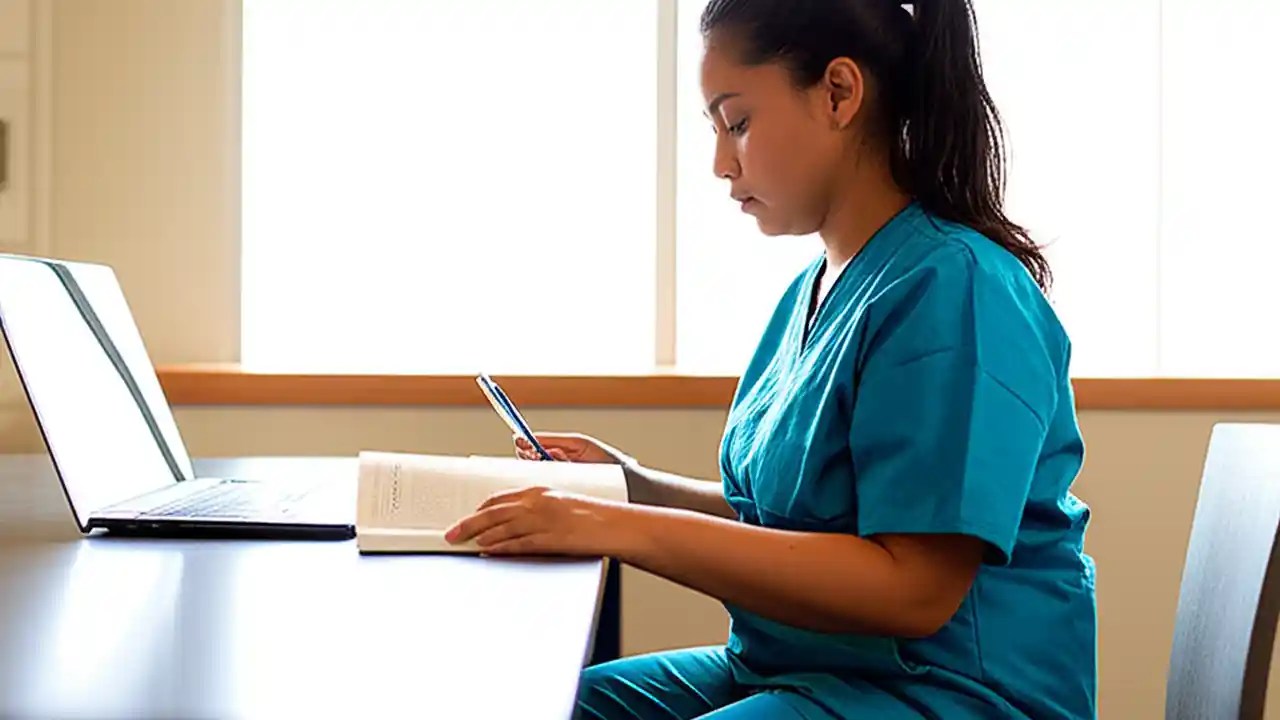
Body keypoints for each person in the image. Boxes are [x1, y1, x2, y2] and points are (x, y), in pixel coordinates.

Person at [444, 0, 1096, 717]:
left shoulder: (955, 290)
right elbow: (795, 522)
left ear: (839, 93)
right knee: (544, 702)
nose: (722, 164)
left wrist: (615, 527)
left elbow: (913, 589)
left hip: (947, 695)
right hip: (807, 672)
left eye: (739, 122)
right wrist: (628, 487)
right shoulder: (819, 290)